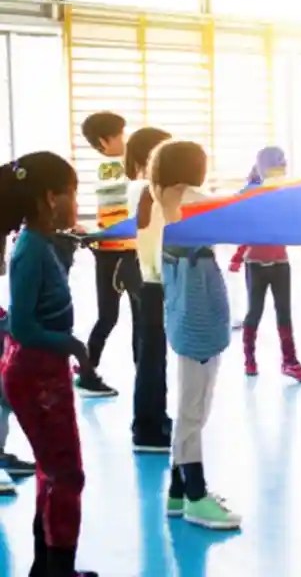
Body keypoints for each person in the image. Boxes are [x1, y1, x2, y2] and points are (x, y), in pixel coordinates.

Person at [1, 151, 101, 577]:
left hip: (44, 372)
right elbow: (23, 326)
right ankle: (58, 569)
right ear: (48, 198)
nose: (76, 203)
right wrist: (72, 344)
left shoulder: (41, 243)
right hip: (36, 373)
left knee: (53, 469)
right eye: (72, 193)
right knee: (67, 474)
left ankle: (47, 567)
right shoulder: (30, 250)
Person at [152, 140, 242, 530]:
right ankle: (195, 495)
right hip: (198, 317)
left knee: (191, 405)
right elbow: (232, 214)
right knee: (194, 409)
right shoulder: (189, 199)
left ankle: (176, 491)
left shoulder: (159, 199)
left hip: (182, 312)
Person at [229, 147, 301, 383]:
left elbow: (295, 220)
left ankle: (290, 361)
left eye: (284, 164)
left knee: (284, 312)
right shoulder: (250, 193)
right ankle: (249, 359)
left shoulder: (284, 193)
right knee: (254, 312)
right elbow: (242, 225)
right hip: (255, 263)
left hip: (280, 262)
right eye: (278, 164)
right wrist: (237, 255)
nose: (282, 168)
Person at [124, 127, 176, 452]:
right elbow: (150, 230)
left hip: (145, 276)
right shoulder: (147, 189)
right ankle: (147, 428)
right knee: (152, 355)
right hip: (151, 279)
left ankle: (154, 416)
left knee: (150, 352)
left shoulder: (138, 186)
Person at [79, 112, 131, 397]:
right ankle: (87, 371)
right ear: (104, 141)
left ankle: (87, 368)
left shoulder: (116, 167)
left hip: (117, 251)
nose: (125, 140)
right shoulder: (111, 169)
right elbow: (119, 216)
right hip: (115, 253)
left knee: (112, 316)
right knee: (109, 316)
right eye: (121, 135)